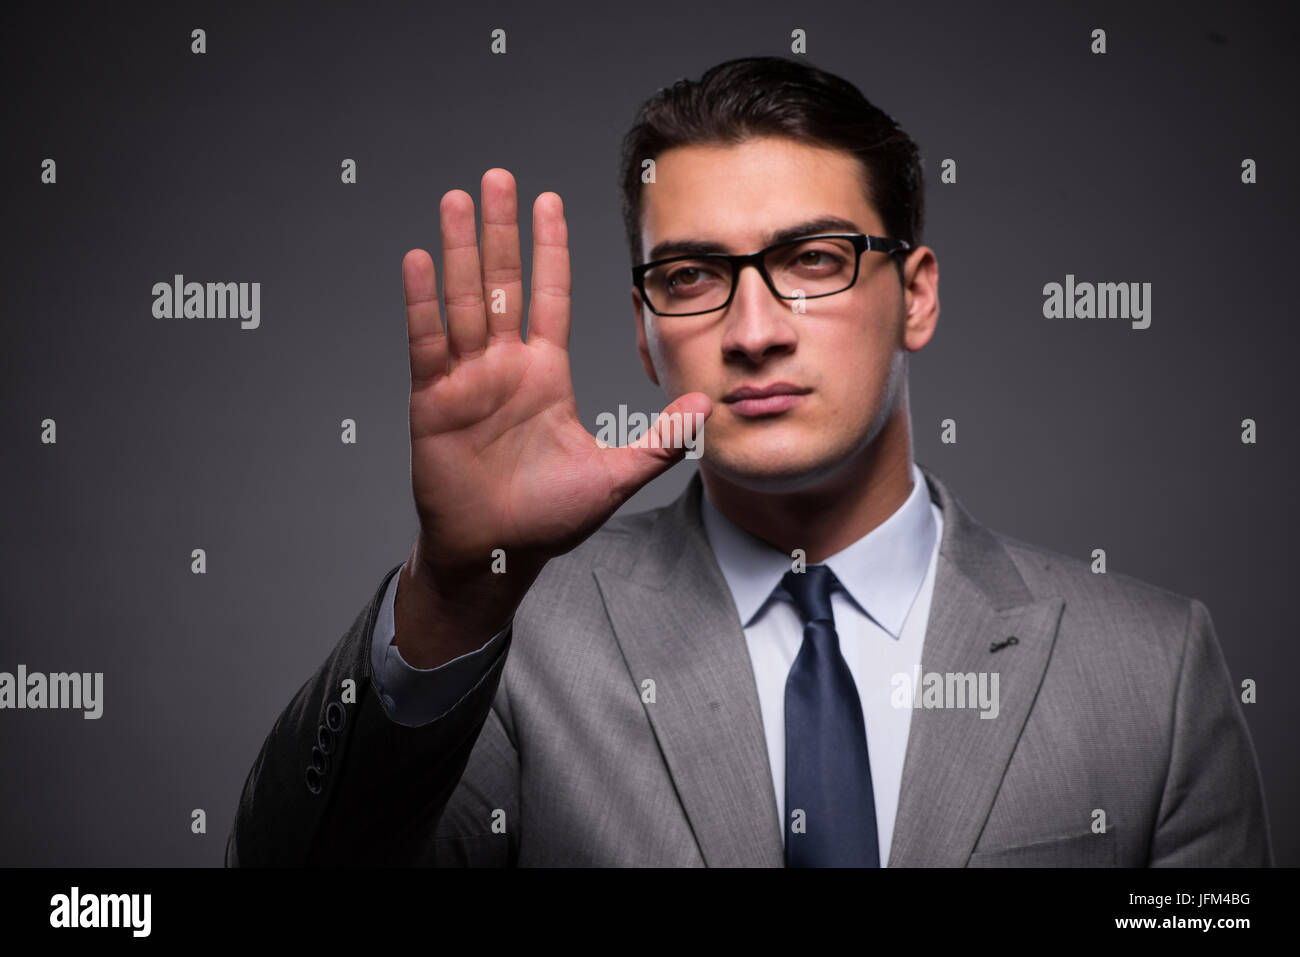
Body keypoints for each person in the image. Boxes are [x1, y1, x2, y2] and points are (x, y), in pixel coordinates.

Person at [226, 56, 1271, 866]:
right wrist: (457, 591)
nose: (754, 329)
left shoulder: (1151, 672)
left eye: (813, 260)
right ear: (643, 334)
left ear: (915, 293)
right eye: (690, 276)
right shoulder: (515, 648)